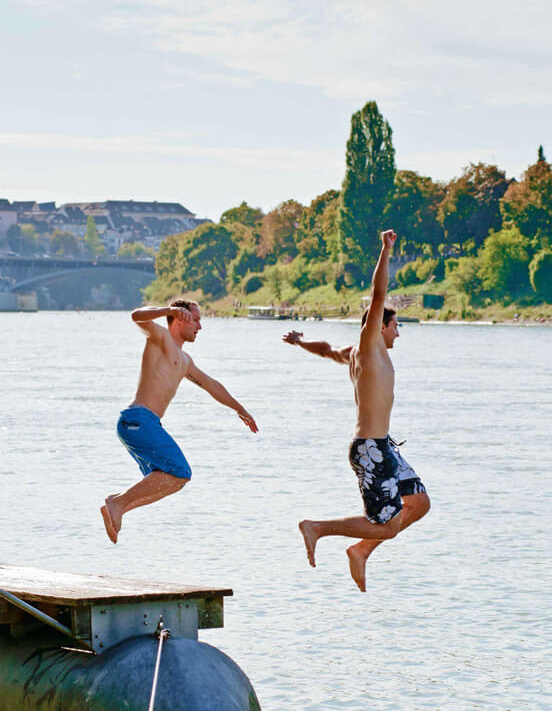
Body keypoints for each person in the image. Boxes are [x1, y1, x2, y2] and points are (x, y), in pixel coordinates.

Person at [283, 230, 430, 591]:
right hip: (370, 449)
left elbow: (328, 349)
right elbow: (379, 294)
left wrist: (302, 342)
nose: (398, 333)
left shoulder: (357, 353)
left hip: (384, 447)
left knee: (419, 503)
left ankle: (362, 550)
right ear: (379, 325)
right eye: (396, 326)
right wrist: (386, 250)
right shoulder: (369, 345)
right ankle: (317, 528)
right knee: (388, 526)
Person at [101, 300, 258, 543]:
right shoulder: (160, 338)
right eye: (196, 319)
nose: (200, 326)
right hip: (137, 420)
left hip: (146, 424)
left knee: (172, 481)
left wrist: (240, 409)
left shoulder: (185, 361)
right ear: (181, 318)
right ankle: (117, 503)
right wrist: (167, 310)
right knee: (181, 471)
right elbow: (136, 315)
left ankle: (118, 506)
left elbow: (211, 385)